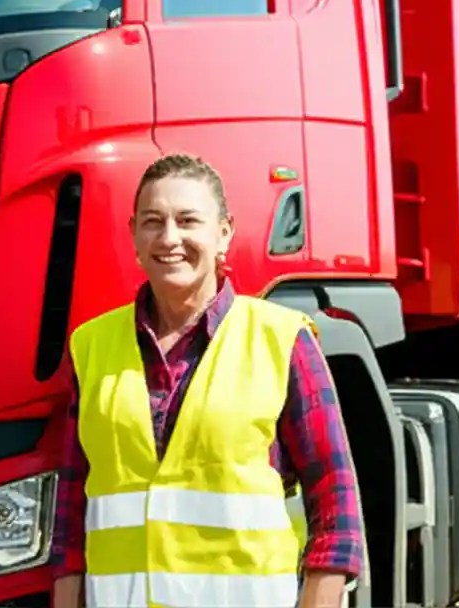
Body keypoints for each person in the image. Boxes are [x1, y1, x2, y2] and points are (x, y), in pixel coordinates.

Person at [50, 153, 364, 608]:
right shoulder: (92, 346)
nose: (169, 238)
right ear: (134, 234)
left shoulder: (281, 339)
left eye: (188, 220)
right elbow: (72, 507)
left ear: (223, 233)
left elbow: (334, 492)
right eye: (153, 222)